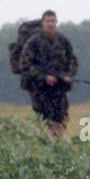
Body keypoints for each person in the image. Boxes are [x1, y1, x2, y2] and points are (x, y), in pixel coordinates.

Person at [19, 9, 78, 138]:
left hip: (59, 88)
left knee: (62, 118)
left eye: (53, 21)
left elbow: (73, 61)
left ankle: (56, 142)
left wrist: (69, 76)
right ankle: (49, 144)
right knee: (45, 121)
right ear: (42, 23)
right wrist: (44, 77)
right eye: (47, 21)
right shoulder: (33, 42)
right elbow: (25, 65)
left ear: (56, 22)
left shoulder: (63, 41)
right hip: (40, 90)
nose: (50, 24)